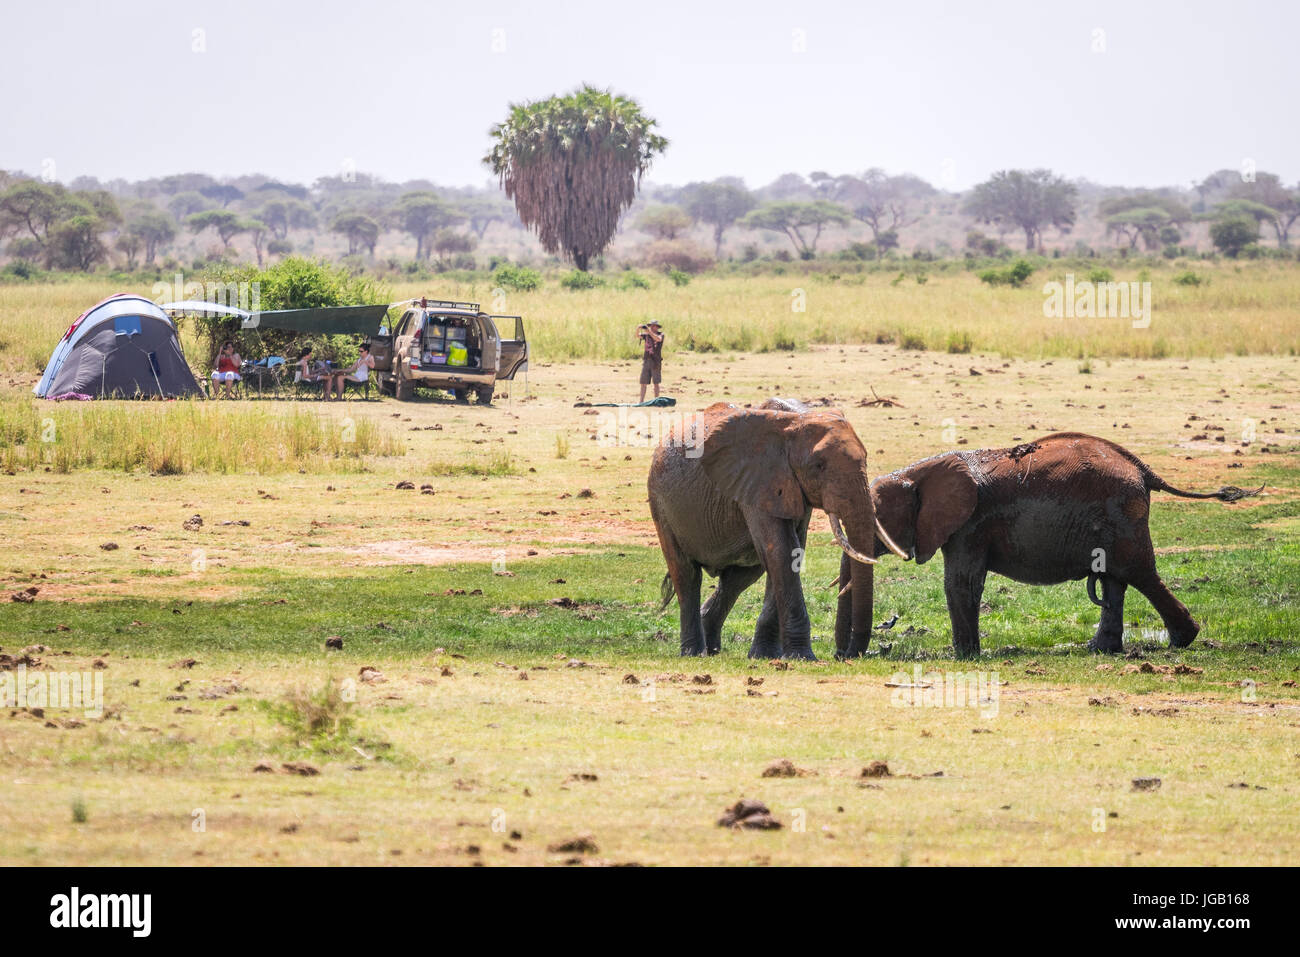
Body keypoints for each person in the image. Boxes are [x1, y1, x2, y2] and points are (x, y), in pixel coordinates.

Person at [637, 320, 664, 402]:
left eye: (654, 326)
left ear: (657, 327)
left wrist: (649, 331)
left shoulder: (661, 334)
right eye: (651, 326)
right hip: (647, 360)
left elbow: (658, 339)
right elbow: (638, 336)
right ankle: (641, 401)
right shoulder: (646, 335)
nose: (652, 327)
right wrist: (638, 328)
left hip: (656, 361)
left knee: (656, 383)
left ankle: (656, 400)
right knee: (643, 382)